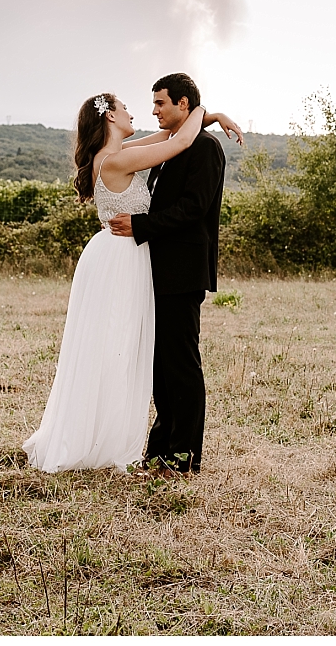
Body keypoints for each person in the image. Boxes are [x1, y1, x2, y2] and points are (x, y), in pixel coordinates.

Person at [23, 86, 242, 472]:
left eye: (158, 103)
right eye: (125, 108)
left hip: (127, 258)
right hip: (124, 260)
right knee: (123, 351)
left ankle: (159, 447)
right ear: (109, 116)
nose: (138, 112)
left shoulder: (119, 155)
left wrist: (208, 116)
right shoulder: (115, 161)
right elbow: (181, 138)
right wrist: (210, 111)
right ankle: (125, 442)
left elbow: (173, 134)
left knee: (143, 353)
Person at [108, 73, 227, 474]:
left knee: (182, 363)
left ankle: (184, 456)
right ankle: (159, 450)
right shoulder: (170, 148)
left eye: (160, 103)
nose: (154, 110)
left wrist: (140, 226)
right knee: (161, 365)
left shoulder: (205, 149)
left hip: (183, 270)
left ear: (183, 105)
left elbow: (193, 209)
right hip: (156, 272)